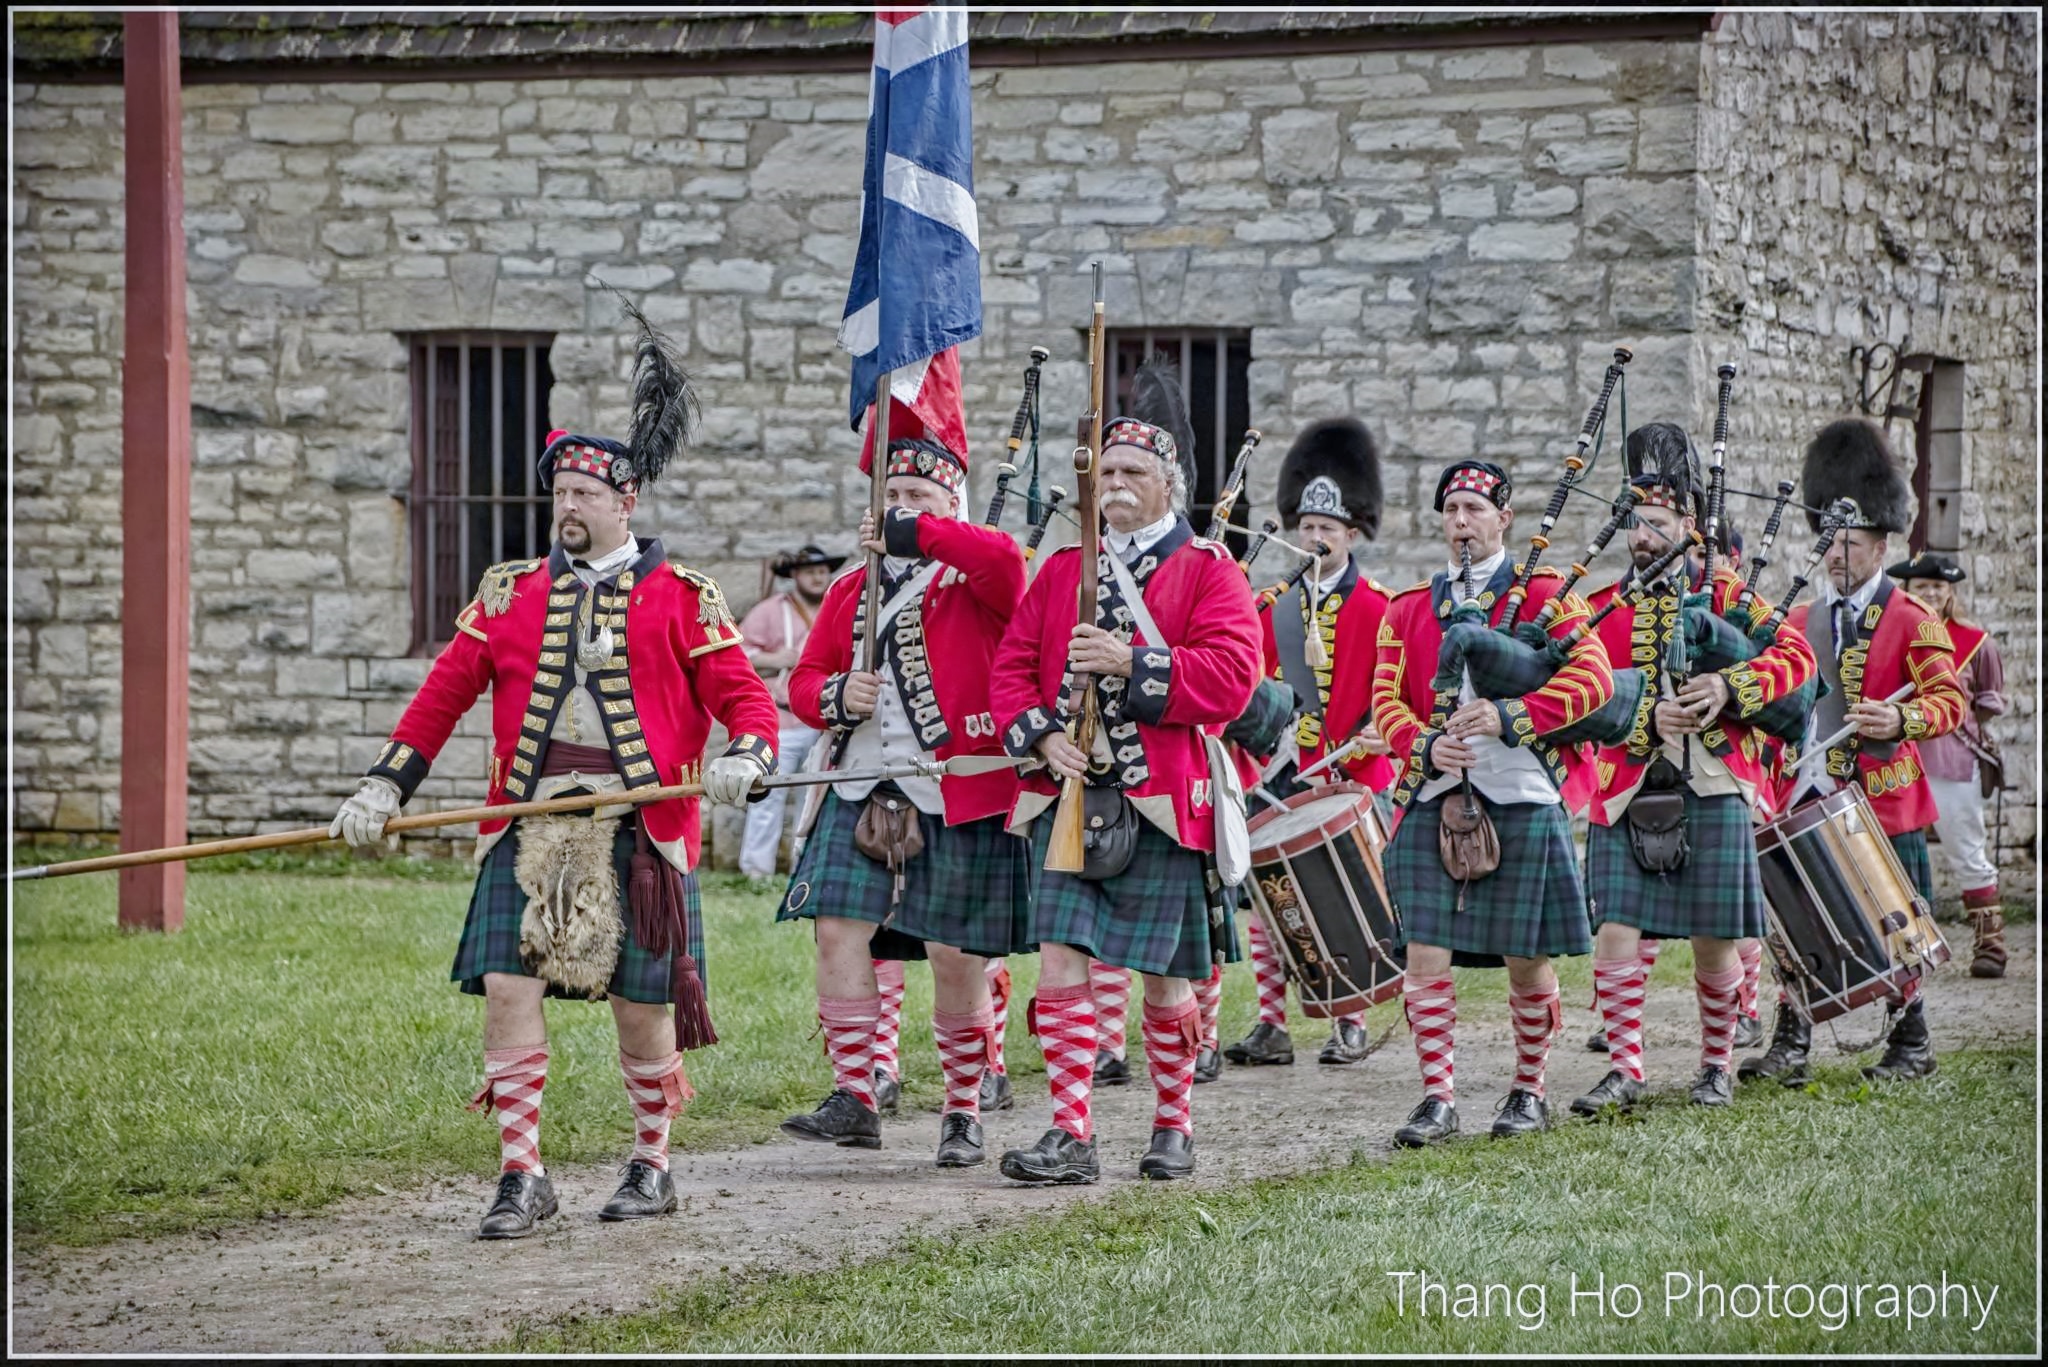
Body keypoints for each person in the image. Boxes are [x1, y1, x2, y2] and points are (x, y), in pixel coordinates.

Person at [329, 306, 780, 1239]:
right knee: (507, 986)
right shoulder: (508, 593)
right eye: (559, 494)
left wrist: (747, 757)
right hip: (528, 821)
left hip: (642, 823)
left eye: (586, 493)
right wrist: (384, 784)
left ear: (628, 501)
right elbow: (439, 698)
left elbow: (748, 701)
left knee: (639, 1007)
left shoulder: (683, 598)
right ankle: (522, 1172)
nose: (568, 507)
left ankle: (653, 1161)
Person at [990, 358, 1261, 1183]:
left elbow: (1233, 676)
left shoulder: (1209, 570)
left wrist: (1132, 660)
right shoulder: (1064, 571)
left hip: (1161, 802)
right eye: (1106, 470)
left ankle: (1173, 1124)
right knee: (1063, 960)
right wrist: (1039, 739)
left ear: (1167, 483)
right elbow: (1010, 669)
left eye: (1132, 471)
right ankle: (1072, 1132)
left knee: (1167, 978)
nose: (1113, 483)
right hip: (1071, 796)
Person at [774, 434, 1033, 1168]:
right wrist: (834, 695)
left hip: (957, 787)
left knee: (956, 954)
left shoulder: (975, 574)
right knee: (836, 930)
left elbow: (1004, 561)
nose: (901, 508)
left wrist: (916, 531)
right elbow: (802, 682)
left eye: (919, 497)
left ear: (952, 502)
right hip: (861, 783)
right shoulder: (852, 589)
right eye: (891, 497)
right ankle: (855, 1093)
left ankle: (960, 1107)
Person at [1571, 424, 1816, 1114]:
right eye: (1634, 523)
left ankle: (1716, 1066)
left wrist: (1727, 689)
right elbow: (1579, 694)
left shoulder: (1729, 595)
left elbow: (1796, 661)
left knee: (1714, 937)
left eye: (1656, 522)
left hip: (1714, 776)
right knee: (1617, 927)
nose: (1643, 535)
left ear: (1687, 522)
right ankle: (1625, 1067)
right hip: (1627, 784)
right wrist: (1643, 715)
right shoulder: (1599, 607)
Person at [1370, 458, 1616, 1146]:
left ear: (1504, 519)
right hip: (1435, 792)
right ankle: (1437, 1098)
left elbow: (1594, 681)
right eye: (1451, 510)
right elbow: (1383, 699)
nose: (1460, 523)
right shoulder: (1409, 606)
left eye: (1474, 510)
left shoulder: (1545, 594)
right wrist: (1423, 746)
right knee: (1424, 950)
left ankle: (1529, 1088)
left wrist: (1512, 715)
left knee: (1524, 954)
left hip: (1523, 791)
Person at [1743, 420, 1969, 1085]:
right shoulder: (1797, 621)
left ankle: (1911, 1041)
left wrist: (1899, 715)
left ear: (1879, 543)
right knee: (1798, 919)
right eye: (1831, 543)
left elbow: (1947, 702)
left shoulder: (1911, 618)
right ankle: (1792, 1040)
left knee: (1896, 924)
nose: (1837, 554)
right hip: (1807, 790)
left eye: (1851, 543)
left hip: (1884, 794)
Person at [1226, 417, 1395, 1071]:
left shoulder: (1378, 607)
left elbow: (1391, 689)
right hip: (1278, 770)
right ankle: (1272, 1022)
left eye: (1328, 528)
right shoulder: (1272, 606)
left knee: (1338, 901)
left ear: (1352, 533)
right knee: (1272, 902)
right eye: (1308, 527)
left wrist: (1373, 744)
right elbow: (1251, 682)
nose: (1315, 537)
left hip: (1347, 772)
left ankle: (1348, 1018)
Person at [1888, 553, 2010, 977]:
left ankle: (1990, 945)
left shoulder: (1977, 641)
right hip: (1899, 758)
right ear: (1909, 591)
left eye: (1938, 587)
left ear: (1950, 592)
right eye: (1922, 587)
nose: (1932, 593)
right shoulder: (1892, 631)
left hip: (1953, 760)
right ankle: (1903, 947)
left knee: (1966, 848)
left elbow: (1989, 703)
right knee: (1889, 855)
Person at [736, 546, 843, 878]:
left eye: (822, 571)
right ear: (795, 576)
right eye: (810, 571)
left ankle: (804, 869)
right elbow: (739, 652)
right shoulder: (770, 611)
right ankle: (757, 872)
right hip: (781, 718)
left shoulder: (836, 609)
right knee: (768, 797)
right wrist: (776, 660)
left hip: (821, 720)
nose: (817, 577)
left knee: (812, 800)